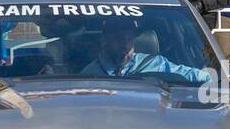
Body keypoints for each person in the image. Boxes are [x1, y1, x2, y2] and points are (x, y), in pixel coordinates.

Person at [80, 21, 212, 85]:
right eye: (119, 39)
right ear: (104, 41)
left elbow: (193, 75)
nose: (126, 45)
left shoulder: (155, 63)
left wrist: (217, 82)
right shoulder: (87, 76)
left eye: (129, 39)